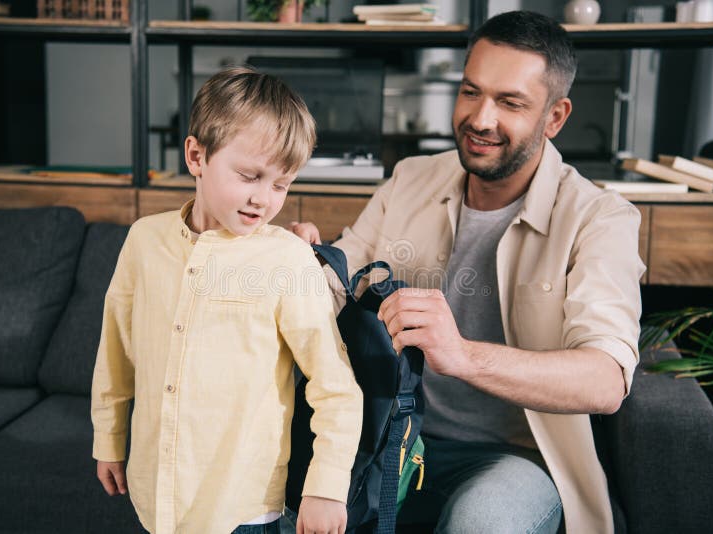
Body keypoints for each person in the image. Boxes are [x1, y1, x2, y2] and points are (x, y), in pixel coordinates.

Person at [293, 10, 644, 533]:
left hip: (513, 459)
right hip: (391, 437)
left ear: (555, 117)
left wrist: (462, 357)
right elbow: (340, 282)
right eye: (470, 92)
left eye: (510, 102)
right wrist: (297, 261)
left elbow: (606, 379)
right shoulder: (410, 178)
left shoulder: (599, 218)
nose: (480, 119)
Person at [91, 66, 363, 534]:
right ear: (197, 156)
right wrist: (110, 437)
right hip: (157, 497)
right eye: (249, 176)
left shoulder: (288, 260)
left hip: (244, 510)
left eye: (280, 185)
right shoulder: (143, 241)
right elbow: (117, 350)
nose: (264, 199)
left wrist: (326, 487)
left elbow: (335, 386)